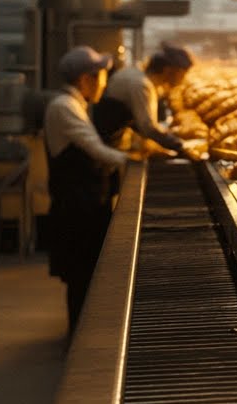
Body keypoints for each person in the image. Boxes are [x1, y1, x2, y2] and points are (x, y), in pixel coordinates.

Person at [44, 46, 131, 333]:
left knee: (86, 275)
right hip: (76, 208)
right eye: (102, 77)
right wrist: (136, 161)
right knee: (81, 276)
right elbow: (96, 150)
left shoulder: (74, 105)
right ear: (85, 79)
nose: (105, 85)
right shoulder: (63, 107)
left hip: (86, 204)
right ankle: (78, 337)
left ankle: (80, 331)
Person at [93, 43, 193, 154]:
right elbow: (148, 128)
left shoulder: (135, 74)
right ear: (168, 70)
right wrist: (179, 144)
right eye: (183, 73)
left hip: (106, 141)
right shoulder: (142, 85)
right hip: (106, 145)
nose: (183, 78)